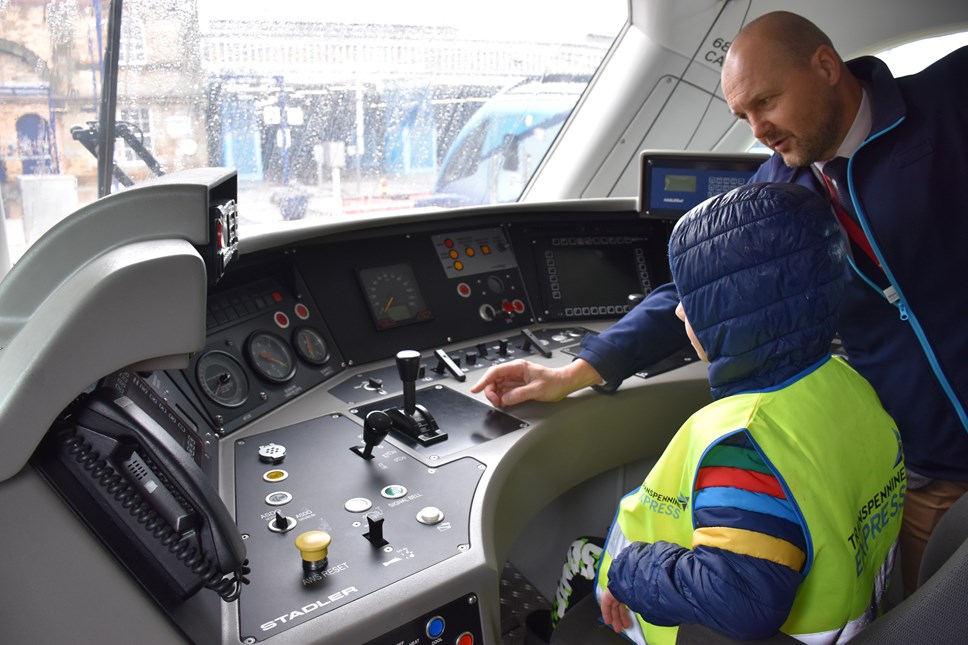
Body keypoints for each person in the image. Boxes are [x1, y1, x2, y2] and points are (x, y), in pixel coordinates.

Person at [471, 11, 968, 598]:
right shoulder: (781, 189)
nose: (759, 129)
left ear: (826, 67)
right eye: (743, 116)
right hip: (929, 471)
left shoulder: (950, 101)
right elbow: (697, 289)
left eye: (766, 102)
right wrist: (574, 372)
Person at [612, 182, 905, 643]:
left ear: (730, 312)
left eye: (695, 298)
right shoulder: (848, 382)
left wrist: (628, 569)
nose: (680, 313)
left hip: (699, 620)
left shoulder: (744, 443)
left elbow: (742, 600)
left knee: (578, 558)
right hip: (858, 614)